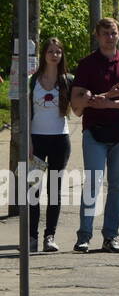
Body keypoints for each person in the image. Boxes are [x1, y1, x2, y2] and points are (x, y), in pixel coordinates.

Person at [70, 18, 119, 253]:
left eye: (113, 33)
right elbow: (76, 101)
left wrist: (110, 103)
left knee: (117, 186)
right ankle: (84, 236)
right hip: (93, 132)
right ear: (97, 36)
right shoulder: (86, 64)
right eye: (105, 34)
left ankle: (111, 236)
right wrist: (95, 99)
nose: (109, 37)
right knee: (93, 183)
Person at [28, 38, 76, 253]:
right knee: (32, 191)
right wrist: (27, 141)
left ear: (61, 55)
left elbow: (78, 107)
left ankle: (50, 236)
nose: (54, 55)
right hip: (36, 141)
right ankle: (31, 237)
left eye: (58, 51)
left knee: (54, 190)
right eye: (50, 51)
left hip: (60, 140)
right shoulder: (32, 80)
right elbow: (26, 112)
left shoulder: (67, 80)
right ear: (44, 54)